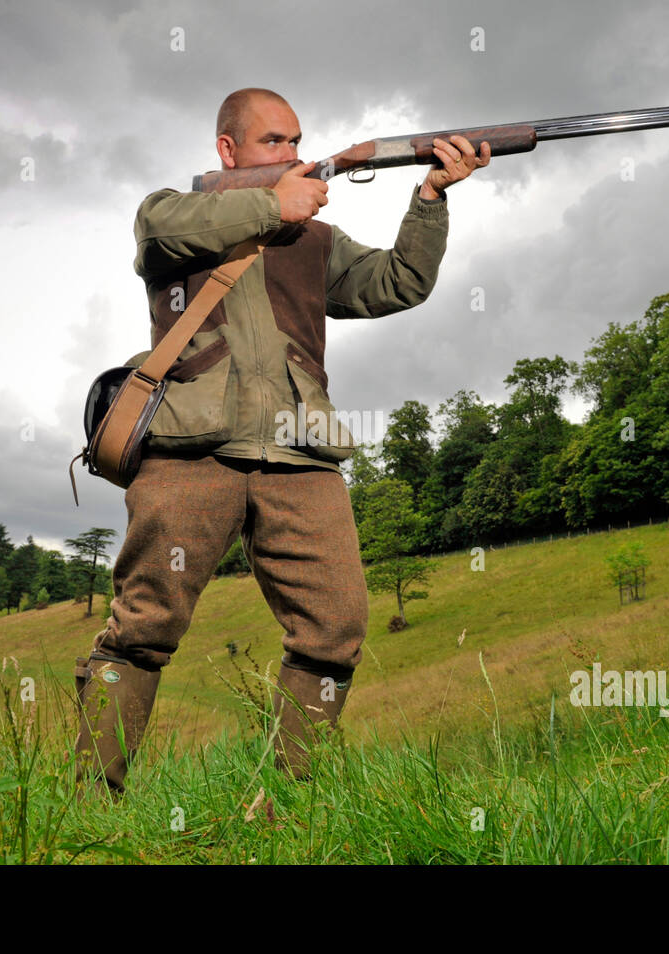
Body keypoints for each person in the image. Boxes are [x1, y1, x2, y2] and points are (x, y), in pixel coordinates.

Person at [75, 87, 489, 793]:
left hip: (301, 455)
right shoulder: (175, 215)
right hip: (188, 451)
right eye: (274, 142)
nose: (295, 156)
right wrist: (273, 205)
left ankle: (287, 810)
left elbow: (398, 282)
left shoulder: (315, 239)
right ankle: (84, 805)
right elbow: (154, 233)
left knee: (336, 629)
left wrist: (431, 198)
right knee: (143, 629)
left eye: (299, 141)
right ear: (227, 150)